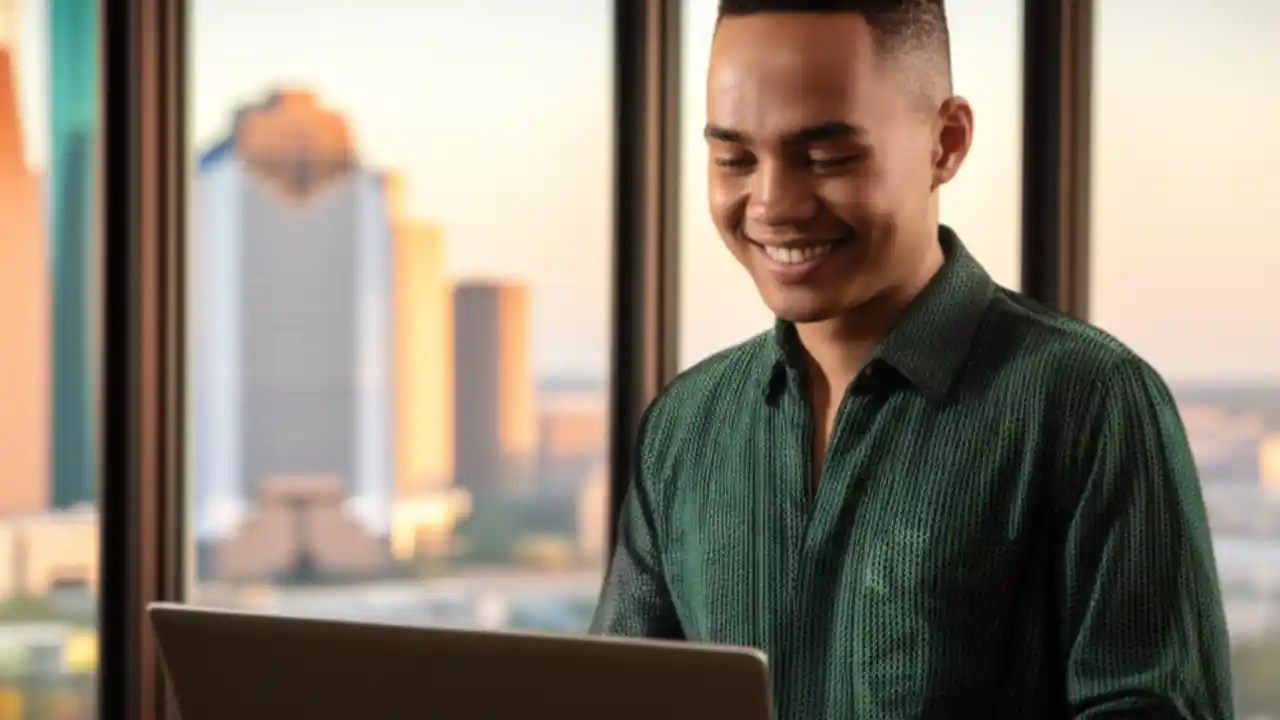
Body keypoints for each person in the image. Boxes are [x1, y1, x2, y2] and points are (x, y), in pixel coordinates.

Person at [590, 1, 1234, 718]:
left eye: (827, 159)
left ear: (946, 143)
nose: (773, 204)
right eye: (734, 159)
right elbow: (615, 697)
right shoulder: (684, 426)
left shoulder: (1092, 405)